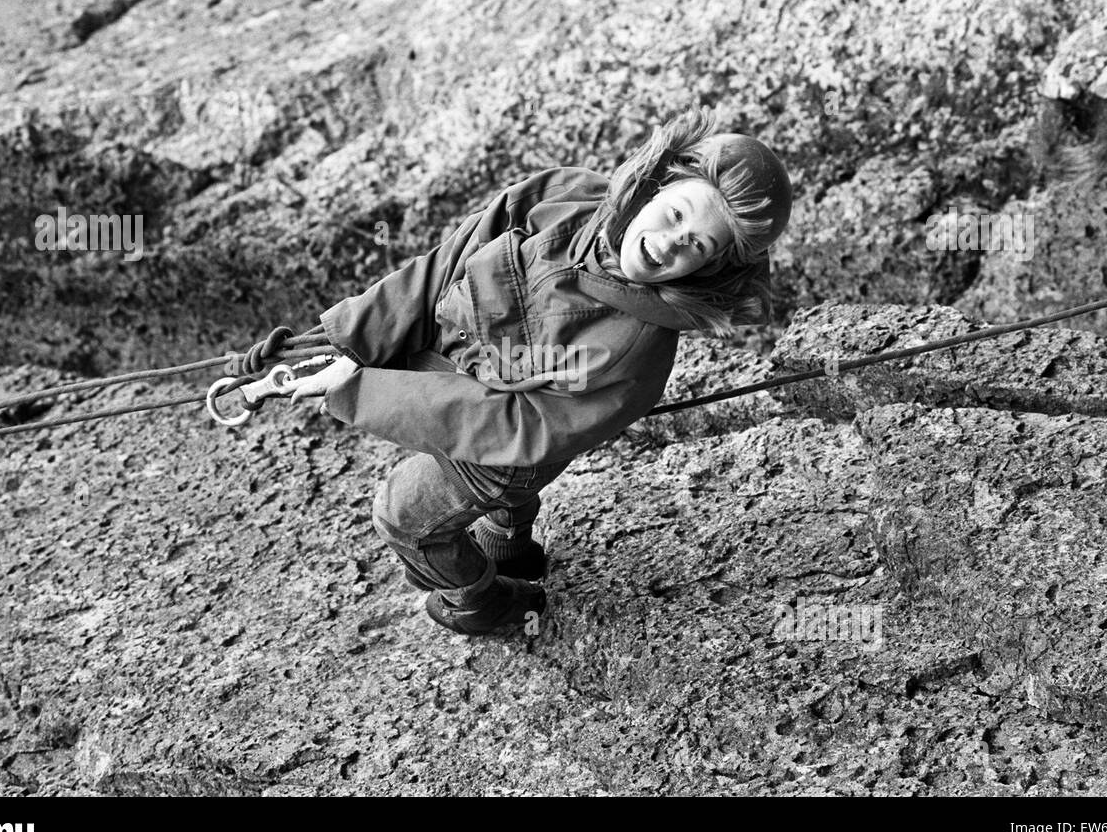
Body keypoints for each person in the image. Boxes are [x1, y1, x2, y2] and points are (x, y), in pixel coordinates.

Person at [289, 106, 793, 635]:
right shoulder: (566, 194)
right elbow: (447, 260)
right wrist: (349, 338)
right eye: (675, 215)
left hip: (506, 450)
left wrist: (360, 390)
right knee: (475, 491)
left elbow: (517, 426)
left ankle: (483, 603)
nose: (671, 242)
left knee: (405, 516)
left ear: (711, 266)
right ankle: (510, 547)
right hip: (450, 364)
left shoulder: (632, 352)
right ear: (656, 185)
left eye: (698, 245)